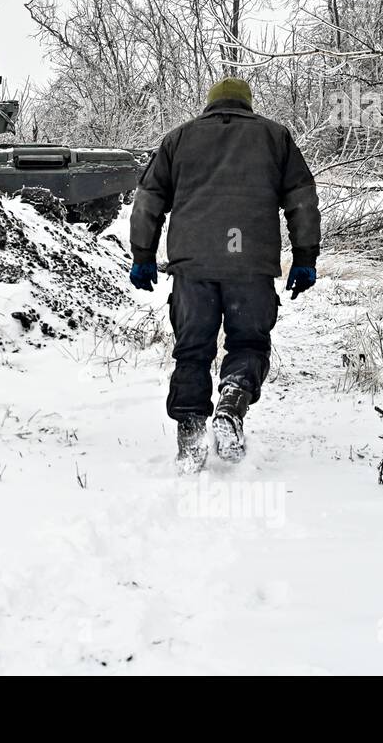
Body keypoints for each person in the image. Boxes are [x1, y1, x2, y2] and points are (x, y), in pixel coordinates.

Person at [128, 77, 321, 474]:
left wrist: (143, 254)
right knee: (249, 342)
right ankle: (232, 401)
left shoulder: (179, 139)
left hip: (193, 265)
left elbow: (148, 200)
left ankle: (191, 434)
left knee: (192, 348)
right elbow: (302, 200)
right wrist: (305, 257)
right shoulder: (275, 137)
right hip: (250, 266)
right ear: (247, 104)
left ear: (210, 104)